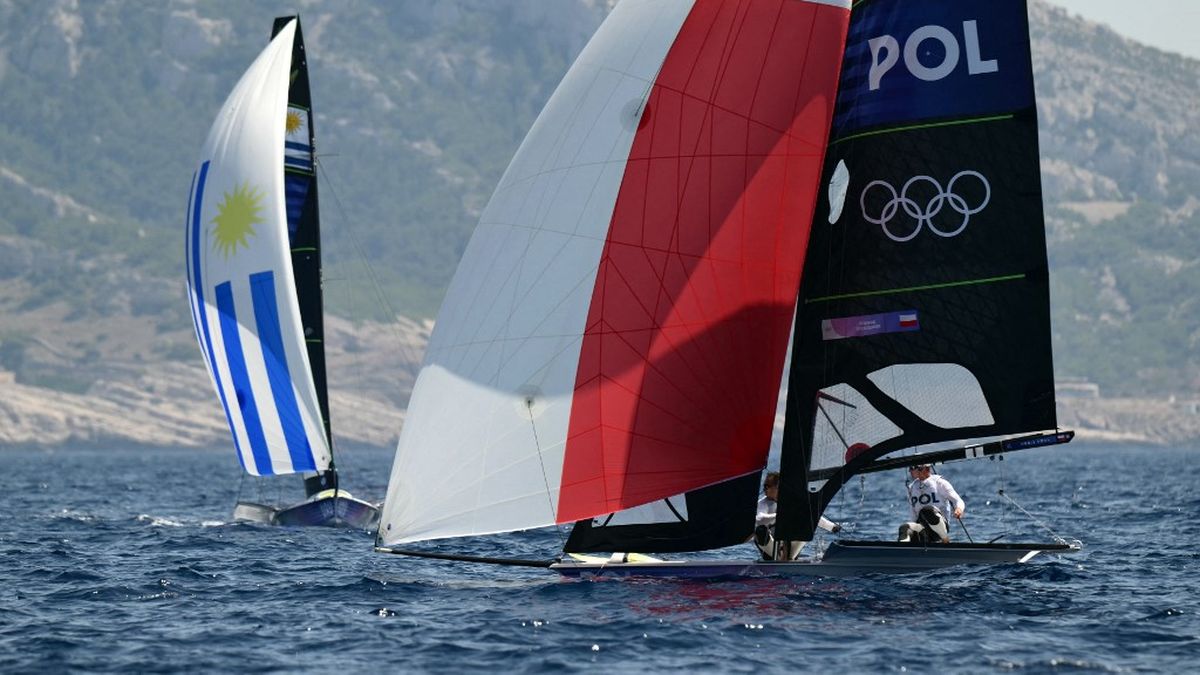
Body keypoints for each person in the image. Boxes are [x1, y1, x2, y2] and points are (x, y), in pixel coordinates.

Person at [754, 471, 841, 561]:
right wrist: (780, 515)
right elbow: (759, 519)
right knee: (760, 530)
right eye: (765, 486)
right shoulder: (763, 503)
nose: (765, 488)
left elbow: (810, 515)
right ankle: (781, 558)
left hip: (791, 548)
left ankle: (787, 558)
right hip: (770, 550)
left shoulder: (793, 502)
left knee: (807, 521)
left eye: (768, 486)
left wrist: (831, 527)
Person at [898, 463, 965, 544]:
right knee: (904, 528)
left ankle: (945, 539)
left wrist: (959, 509)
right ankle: (903, 551)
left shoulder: (940, 483)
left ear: (922, 468)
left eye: (912, 467)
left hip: (939, 528)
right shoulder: (912, 487)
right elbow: (913, 515)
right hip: (922, 528)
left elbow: (958, 500)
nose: (909, 470)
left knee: (927, 510)